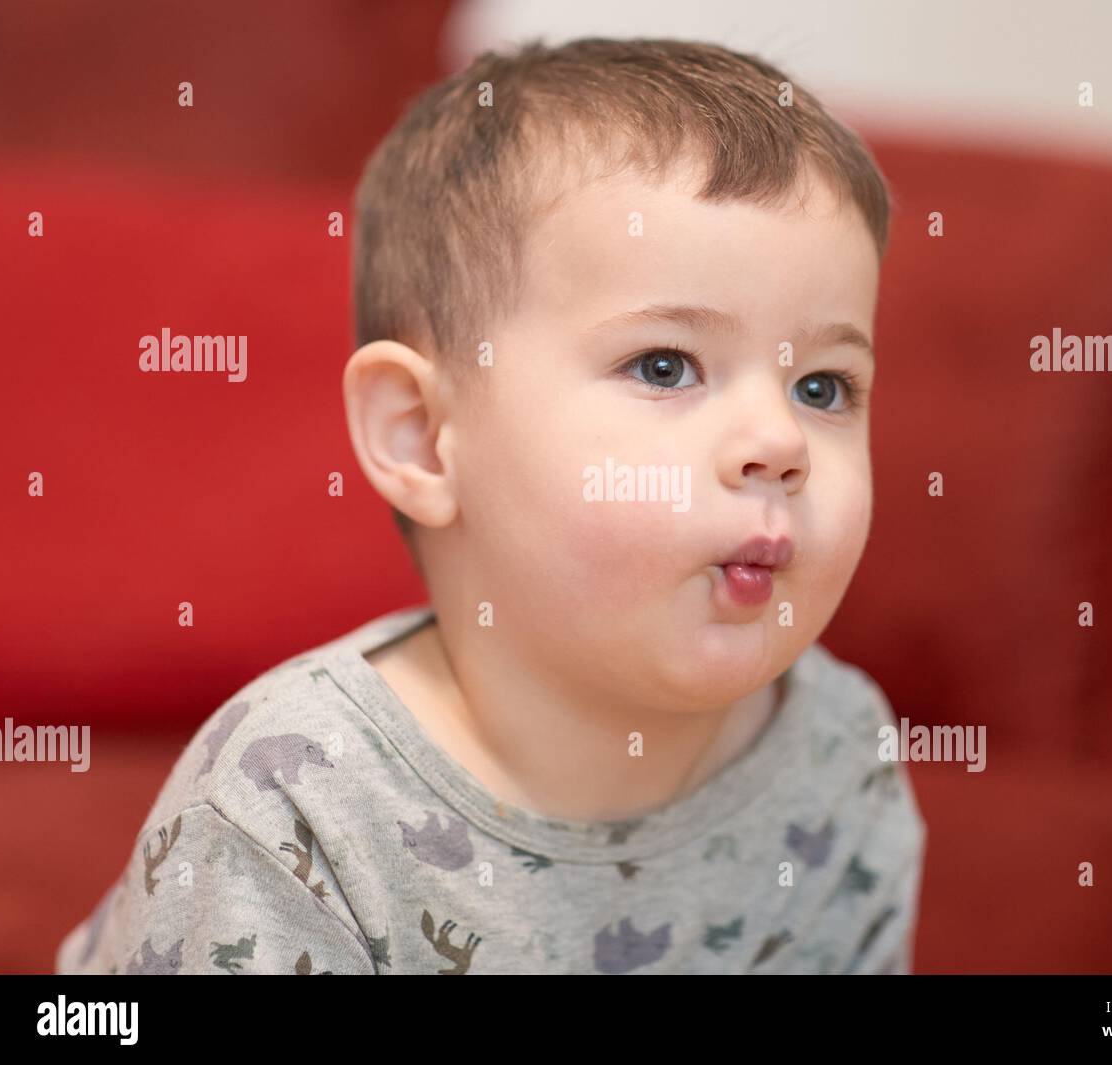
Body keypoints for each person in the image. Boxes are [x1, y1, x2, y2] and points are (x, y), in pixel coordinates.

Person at [55, 36, 926, 975]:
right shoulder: (291, 799)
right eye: (665, 366)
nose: (782, 444)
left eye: (826, 387)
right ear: (424, 436)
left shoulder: (841, 755)